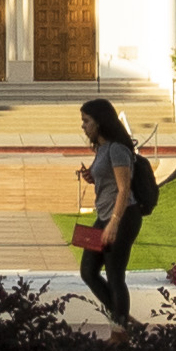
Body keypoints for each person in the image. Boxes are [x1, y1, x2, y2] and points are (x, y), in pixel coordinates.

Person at [75, 97, 142, 336]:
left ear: (100, 122)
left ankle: (119, 333)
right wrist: (92, 177)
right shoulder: (103, 148)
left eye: (86, 121)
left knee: (115, 275)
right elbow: (109, 179)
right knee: (88, 271)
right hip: (105, 215)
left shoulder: (118, 149)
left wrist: (114, 222)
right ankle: (122, 318)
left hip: (121, 217)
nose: (83, 126)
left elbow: (124, 188)